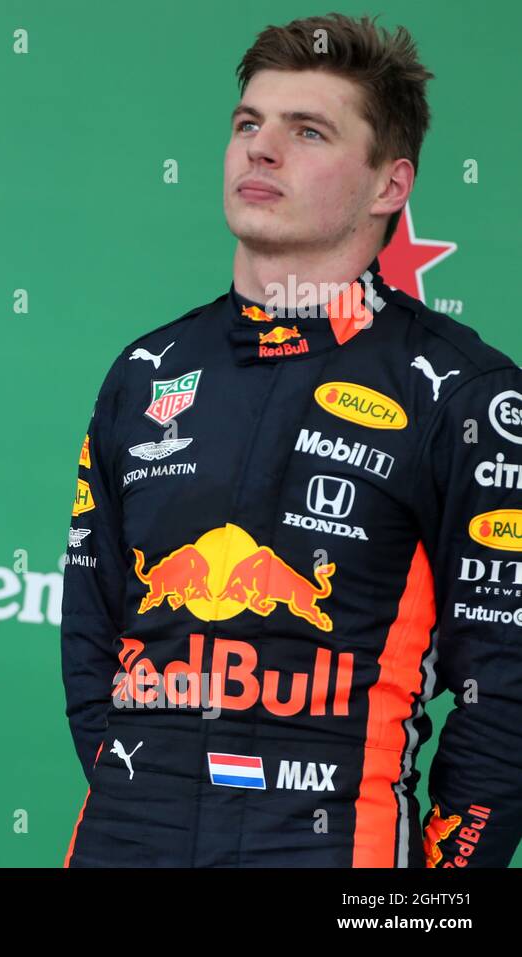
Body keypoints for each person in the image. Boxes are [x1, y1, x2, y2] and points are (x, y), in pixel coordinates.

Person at [61, 13, 522, 867]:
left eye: (307, 131)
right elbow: (90, 634)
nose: (259, 150)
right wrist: (143, 789)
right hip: (130, 835)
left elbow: (508, 687)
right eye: (248, 124)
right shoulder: (146, 370)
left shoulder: (467, 394)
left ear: (391, 184)